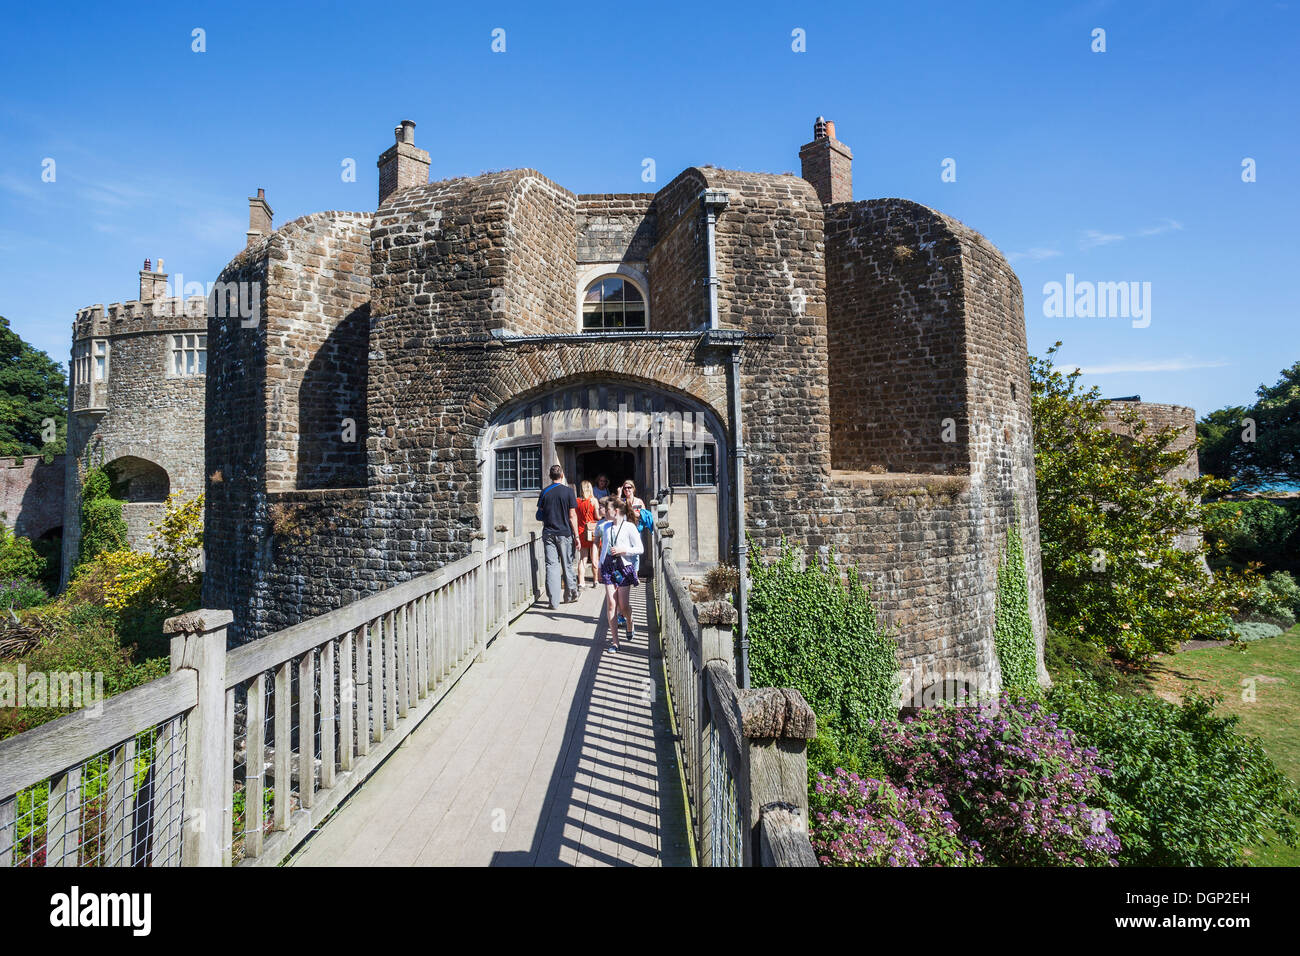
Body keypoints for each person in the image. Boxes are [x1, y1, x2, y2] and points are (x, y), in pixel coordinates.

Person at [598, 497, 644, 652]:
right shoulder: (605, 527)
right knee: (611, 604)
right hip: (608, 568)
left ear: (615, 511)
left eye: (607, 509)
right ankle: (615, 642)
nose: (604, 511)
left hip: (623, 568)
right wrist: (599, 567)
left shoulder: (629, 527)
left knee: (623, 606)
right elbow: (604, 548)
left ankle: (630, 621)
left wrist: (623, 550)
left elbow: (640, 548)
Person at [537, 464, 580, 609]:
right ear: (562, 475)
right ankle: (570, 595)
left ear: (550, 476)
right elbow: (572, 515)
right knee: (567, 564)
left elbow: (540, 514)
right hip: (565, 534)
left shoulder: (544, 492)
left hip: (548, 533)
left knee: (551, 566)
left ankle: (553, 601)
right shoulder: (568, 492)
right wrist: (577, 536)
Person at [575, 480, 601, 590]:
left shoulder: (576, 501)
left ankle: (581, 582)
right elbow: (598, 517)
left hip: (581, 532)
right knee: (594, 558)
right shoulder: (593, 501)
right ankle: (595, 581)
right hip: (592, 531)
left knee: (583, 558)